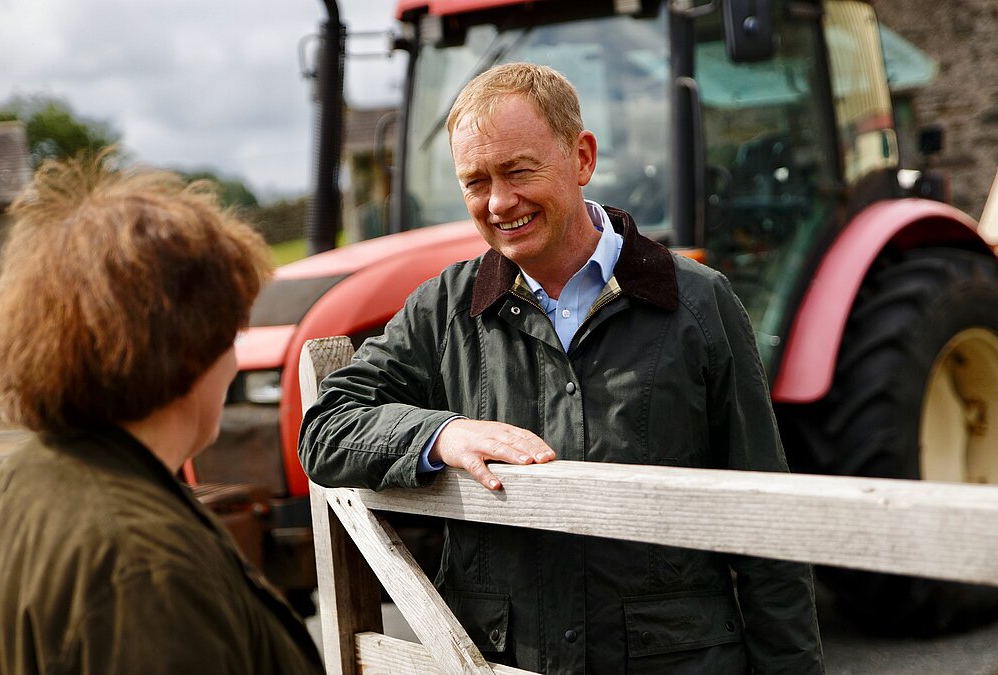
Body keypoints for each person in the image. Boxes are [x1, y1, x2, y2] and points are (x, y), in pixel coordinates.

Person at [300, 63, 823, 673]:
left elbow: (766, 522)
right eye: (476, 182)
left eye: (519, 171)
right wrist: (441, 434)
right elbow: (325, 429)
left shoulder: (700, 303)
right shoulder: (442, 309)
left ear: (581, 158)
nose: (499, 202)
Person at [0, 154, 323, 675]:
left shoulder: (0, 499)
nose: (233, 361)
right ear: (187, 351)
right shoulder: (146, 569)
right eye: (230, 334)